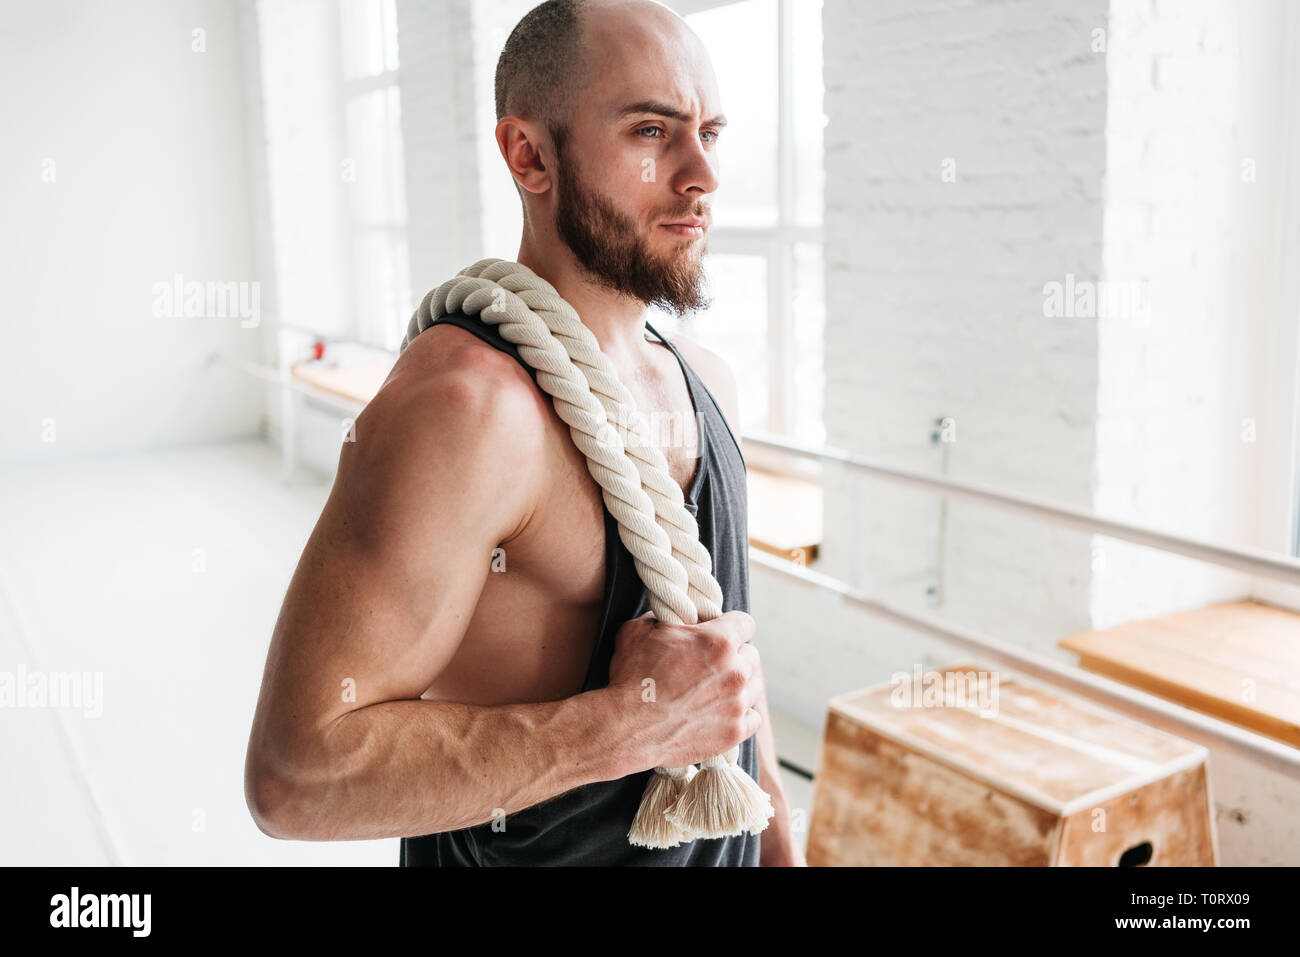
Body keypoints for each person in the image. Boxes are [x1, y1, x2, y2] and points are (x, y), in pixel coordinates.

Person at [243, 0, 804, 866]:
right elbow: (294, 774)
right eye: (652, 131)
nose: (701, 175)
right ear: (529, 154)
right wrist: (626, 725)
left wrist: (780, 847)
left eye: (711, 132)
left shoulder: (708, 383)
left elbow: (724, 684)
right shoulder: (467, 409)